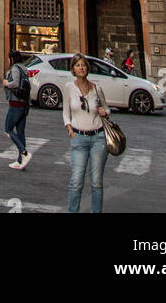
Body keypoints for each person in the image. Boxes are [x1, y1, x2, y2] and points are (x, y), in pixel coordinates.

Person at [63, 52, 110, 214]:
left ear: (87, 68)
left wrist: (105, 111)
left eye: (83, 65)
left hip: (98, 137)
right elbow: (65, 112)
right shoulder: (69, 88)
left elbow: (107, 108)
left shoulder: (97, 88)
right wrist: (69, 129)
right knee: (76, 181)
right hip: (78, 138)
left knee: (96, 182)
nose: (81, 68)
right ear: (73, 69)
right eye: (78, 65)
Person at [3, 49, 31, 169]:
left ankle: (24, 152)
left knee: (8, 129)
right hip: (24, 103)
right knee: (20, 132)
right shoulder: (24, 68)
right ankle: (21, 161)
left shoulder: (15, 68)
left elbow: (14, 83)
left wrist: (6, 83)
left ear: (12, 59)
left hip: (16, 103)